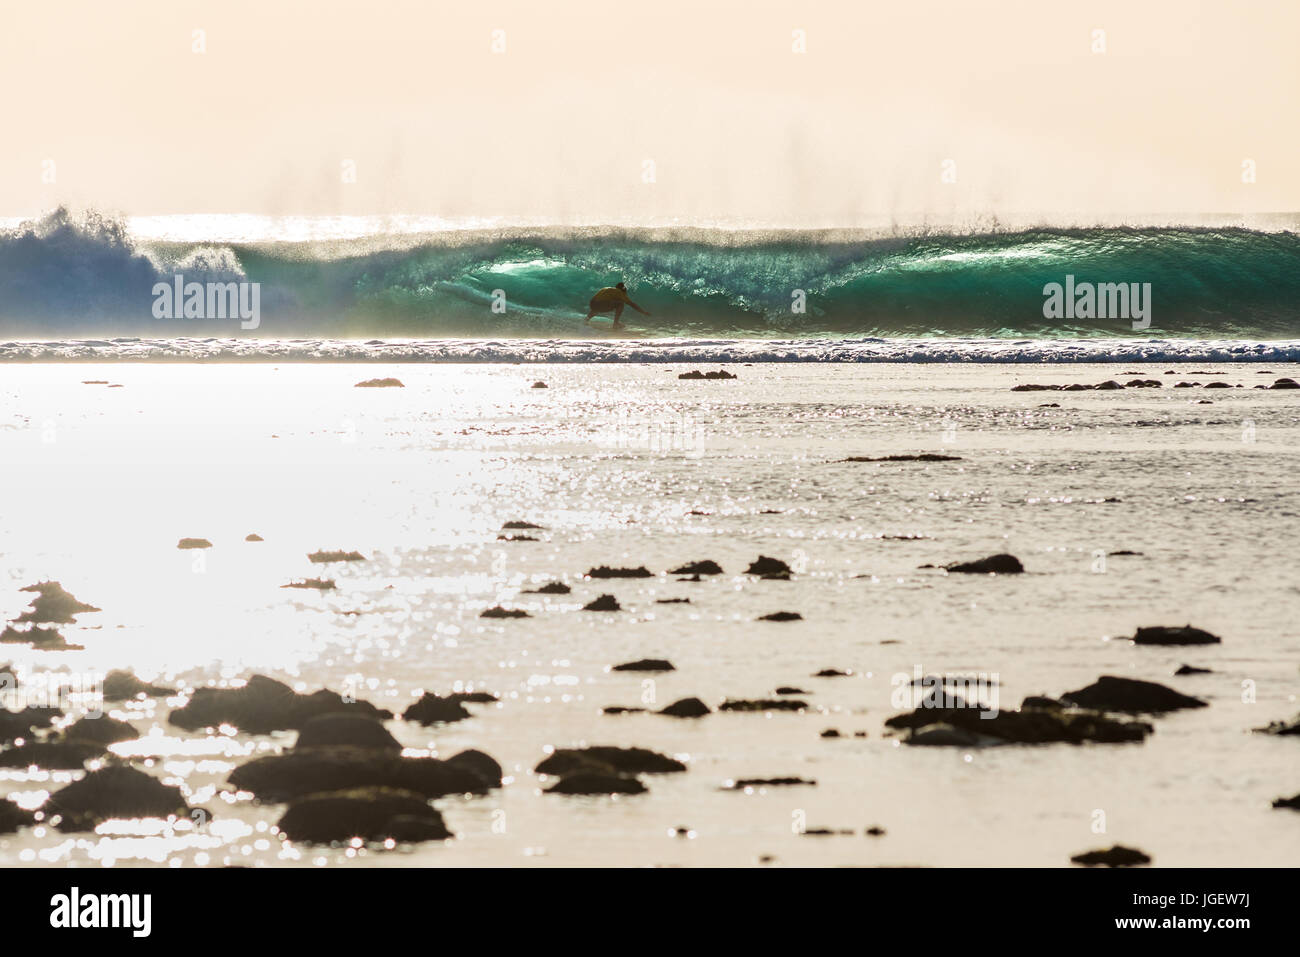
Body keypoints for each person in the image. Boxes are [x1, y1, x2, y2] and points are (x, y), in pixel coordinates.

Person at [585, 282, 650, 328]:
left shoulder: (606, 288)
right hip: (601, 304)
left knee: (597, 308)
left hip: (592, 303)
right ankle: (615, 323)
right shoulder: (619, 292)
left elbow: (598, 299)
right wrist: (643, 312)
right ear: (623, 289)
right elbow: (632, 304)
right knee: (620, 303)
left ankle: (586, 320)